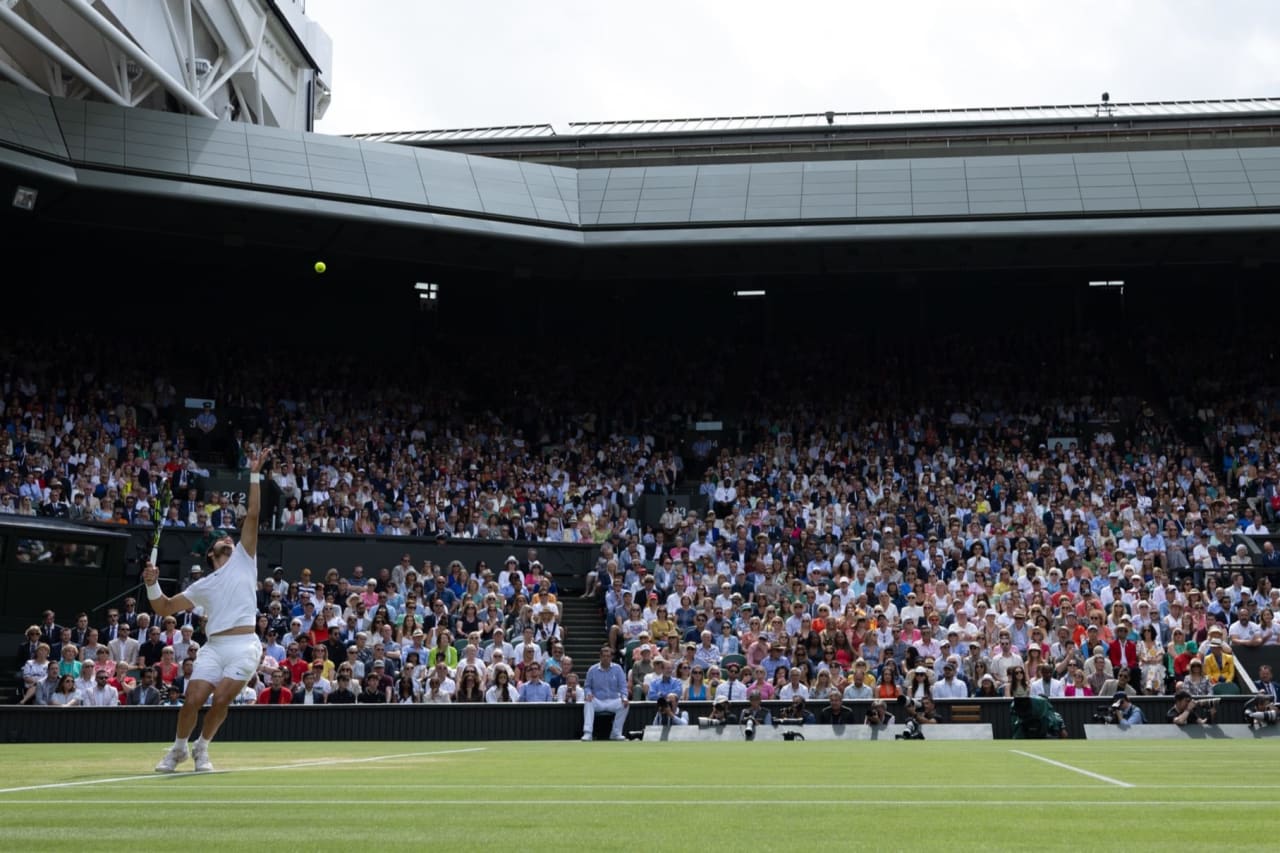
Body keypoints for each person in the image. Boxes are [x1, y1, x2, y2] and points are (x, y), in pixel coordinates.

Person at [145, 447, 271, 773]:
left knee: (221, 699)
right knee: (192, 699)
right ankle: (178, 749)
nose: (229, 540)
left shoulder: (245, 557)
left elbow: (254, 514)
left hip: (244, 645)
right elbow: (164, 606)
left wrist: (254, 473)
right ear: (213, 554)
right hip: (214, 647)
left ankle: (202, 748)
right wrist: (151, 584)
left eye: (230, 539)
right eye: (223, 542)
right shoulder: (203, 586)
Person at [582, 645, 629, 741]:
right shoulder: (592, 670)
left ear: (611, 657)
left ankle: (616, 733)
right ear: (600, 657)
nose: (606, 658)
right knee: (588, 702)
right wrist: (588, 694)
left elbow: (623, 686)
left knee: (625, 704)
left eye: (608, 656)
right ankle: (588, 733)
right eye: (604, 656)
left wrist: (624, 697)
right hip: (598, 701)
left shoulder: (618, 669)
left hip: (613, 700)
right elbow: (587, 686)